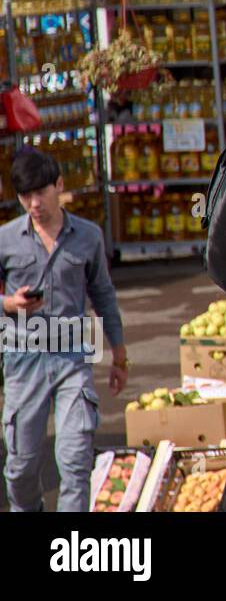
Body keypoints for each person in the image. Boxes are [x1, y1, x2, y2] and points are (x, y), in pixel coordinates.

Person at [1, 148, 128, 512]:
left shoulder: (88, 236)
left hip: (74, 357)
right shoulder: (6, 239)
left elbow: (103, 295)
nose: (35, 203)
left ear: (59, 185)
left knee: (74, 461)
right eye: (26, 196)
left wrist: (119, 355)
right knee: (21, 466)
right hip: (22, 359)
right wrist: (10, 304)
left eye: (41, 192)